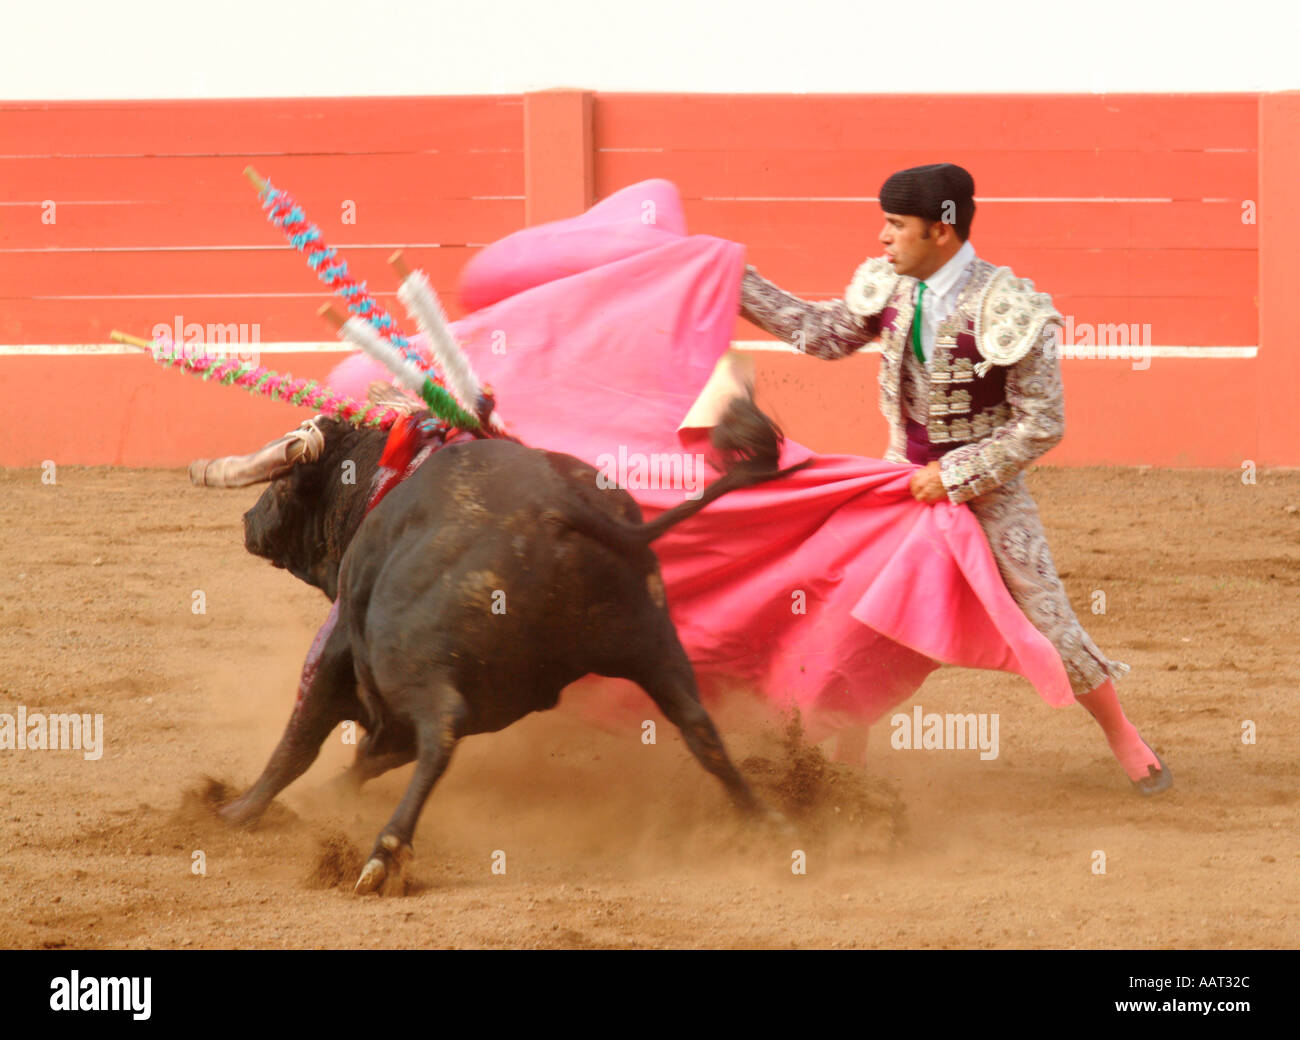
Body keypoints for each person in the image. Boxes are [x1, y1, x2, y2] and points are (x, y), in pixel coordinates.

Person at [738, 163, 1171, 795]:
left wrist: (958, 473)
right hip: (900, 486)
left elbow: (1042, 424)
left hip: (988, 494)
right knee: (857, 613)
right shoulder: (888, 286)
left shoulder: (1011, 308)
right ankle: (849, 753)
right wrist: (734, 283)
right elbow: (818, 334)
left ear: (940, 231)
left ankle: (1124, 738)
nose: (883, 238)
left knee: (1046, 618)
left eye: (895, 224)